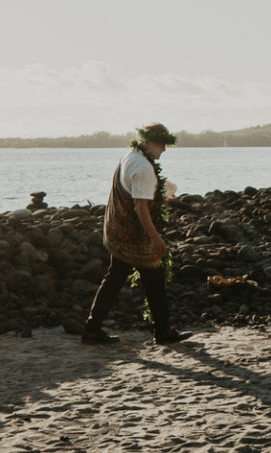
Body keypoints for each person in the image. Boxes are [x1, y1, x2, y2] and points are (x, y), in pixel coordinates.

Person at [82, 122, 193, 345]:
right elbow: (140, 208)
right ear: (150, 143)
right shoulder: (143, 168)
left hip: (117, 231)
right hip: (134, 237)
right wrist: (156, 238)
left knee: (117, 279)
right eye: (162, 144)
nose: (164, 150)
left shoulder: (129, 157)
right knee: (153, 279)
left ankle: (93, 328)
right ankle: (162, 331)